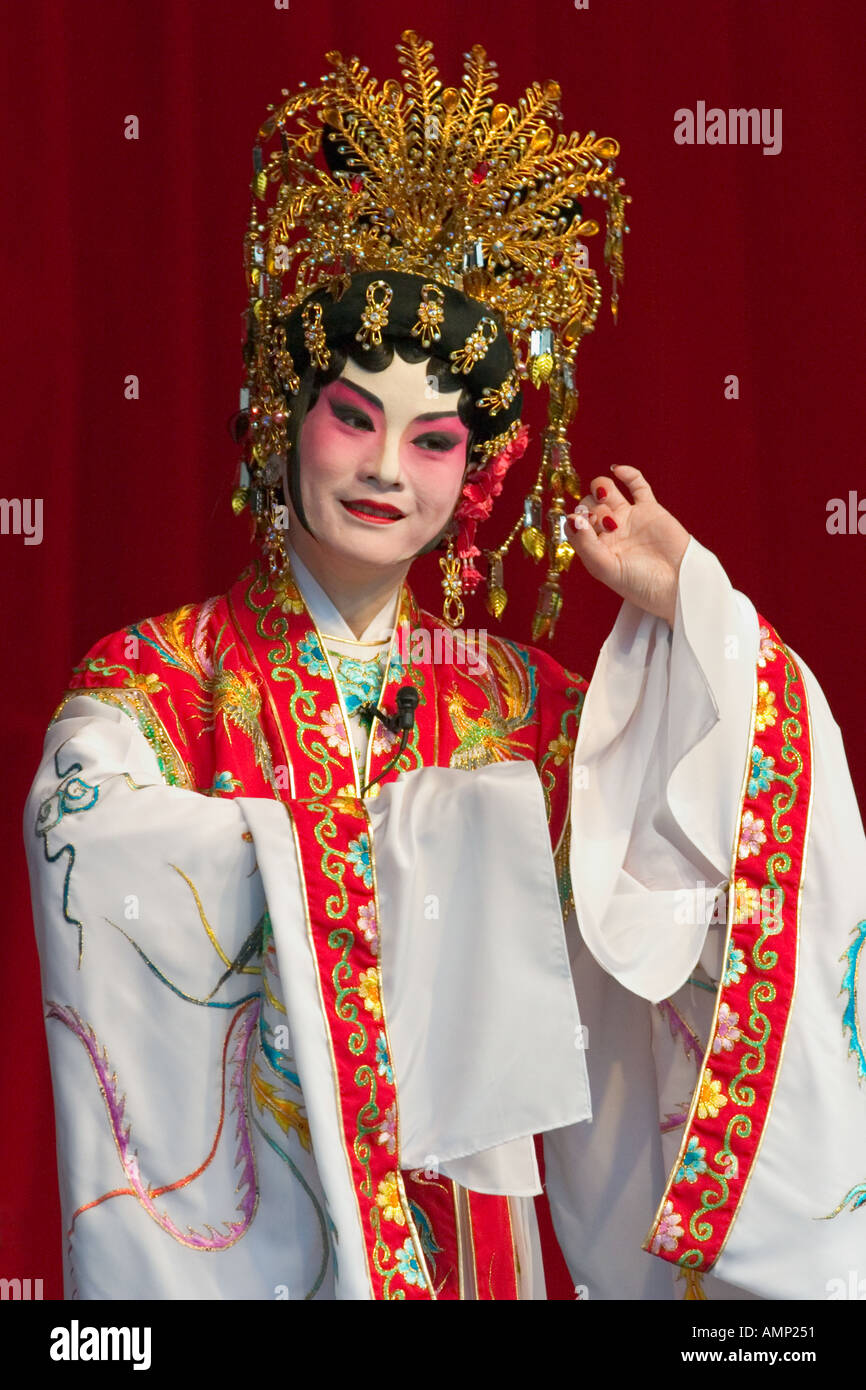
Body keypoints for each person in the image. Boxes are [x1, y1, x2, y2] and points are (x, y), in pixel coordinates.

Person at [23, 32, 866, 1302]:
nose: (380, 473)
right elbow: (84, 841)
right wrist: (364, 859)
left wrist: (689, 604)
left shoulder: (523, 710)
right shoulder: (162, 680)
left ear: (476, 479)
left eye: (430, 441)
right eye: (351, 415)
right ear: (281, 411)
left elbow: (708, 875)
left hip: (488, 1267)